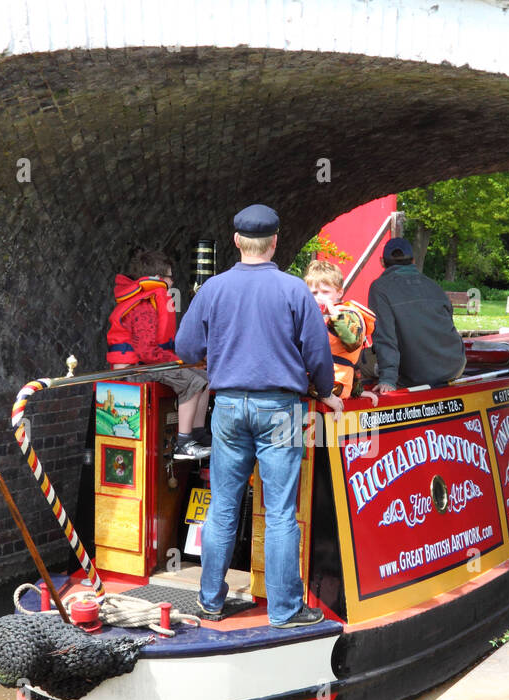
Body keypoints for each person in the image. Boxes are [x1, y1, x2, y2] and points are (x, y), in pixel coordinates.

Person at [176, 204, 344, 628]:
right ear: (274, 242)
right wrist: (327, 394)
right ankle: (285, 610)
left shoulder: (212, 289)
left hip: (229, 406)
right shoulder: (293, 291)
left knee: (223, 506)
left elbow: (186, 349)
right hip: (282, 409)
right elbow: (318, 354)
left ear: (237, 242)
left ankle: (211, 601)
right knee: (281, 511)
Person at [106, 248, 211, 458]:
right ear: (158, 278)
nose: (172, 283)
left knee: (206, 378)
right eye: (170, 277)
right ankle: (183, 442)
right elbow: (147, 352)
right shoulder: (144, 305)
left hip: (146, 364)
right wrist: (177, 361)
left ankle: (198, 433)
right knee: (192, 382)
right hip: (135, 370)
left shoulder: (148, 300)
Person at [367, 237, 466, 394]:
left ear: (382, 262)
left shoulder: (379, 287)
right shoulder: (434, 285)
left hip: (419, 375)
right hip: (455, 366)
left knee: (362, 359)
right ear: (413, 261)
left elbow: (384, 337)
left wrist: (388, 379)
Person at [302, 260, 379, 402]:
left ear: (339, 292)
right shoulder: (312, 316)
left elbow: (352, 341)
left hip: (333, 385)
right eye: (313, 292)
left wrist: (335, 315)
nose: (319, 297)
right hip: (317, 383)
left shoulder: (346, 314)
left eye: (325, 292)